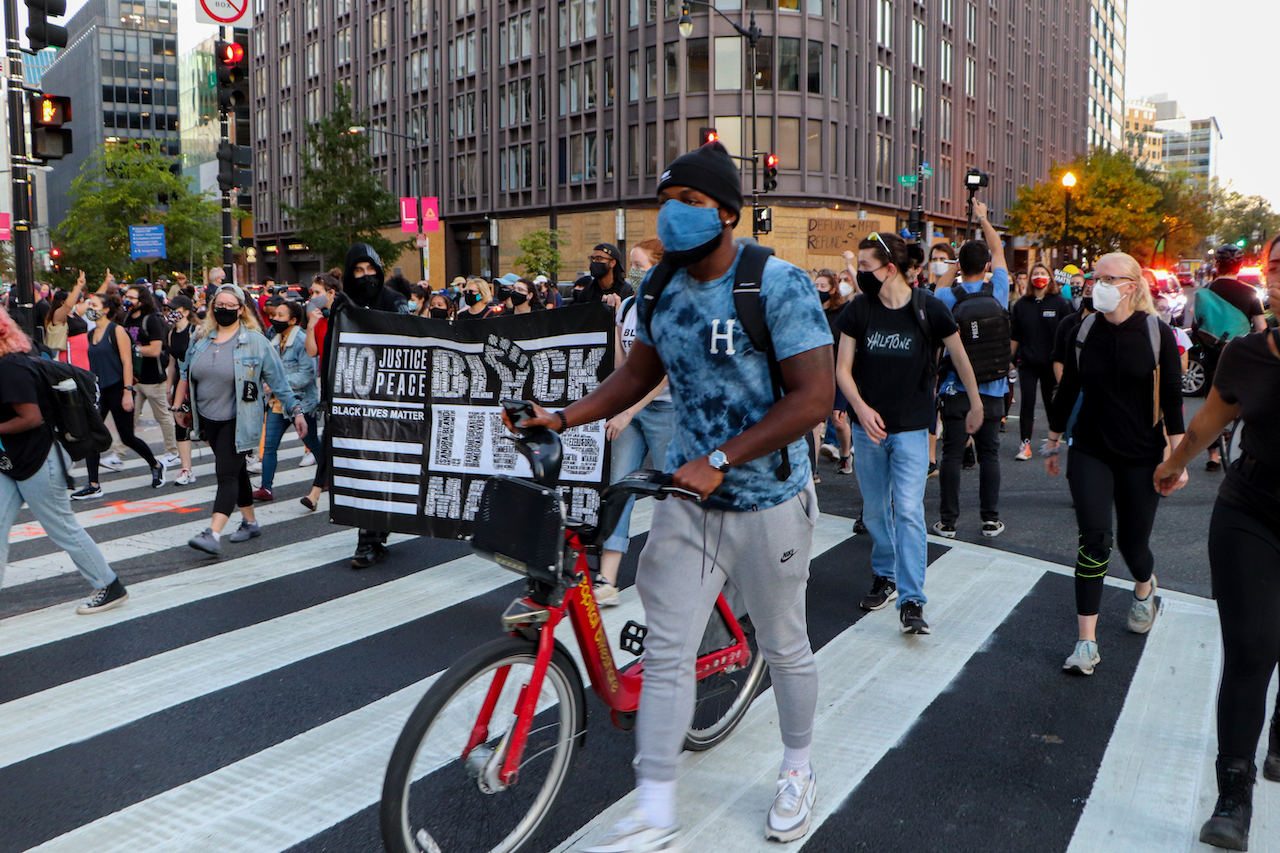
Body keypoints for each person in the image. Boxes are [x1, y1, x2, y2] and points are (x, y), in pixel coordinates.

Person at [519, 141, 833, 851]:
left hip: (769, 500)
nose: (672, 215)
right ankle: (655, 807)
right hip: (688, 503)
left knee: (784, 643)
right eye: (665, 201)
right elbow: (636, 375)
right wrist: (564, 416)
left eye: (688, 202)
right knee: (666, 652)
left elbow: (814, 398)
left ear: (726, 212)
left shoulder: (775, 285)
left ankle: (798, 768)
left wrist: (723, 457)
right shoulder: (658, 288)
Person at [1152, 277, 1280, 849]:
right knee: (1252, 646)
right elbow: (1211, 418)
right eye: (1277, 265)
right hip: (1250, 508)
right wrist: (1175, 461)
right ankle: (1234, 796)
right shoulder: (1248, 353)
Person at [1044, 252, 1186, 676]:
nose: (1097, 285)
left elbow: (1174, 401)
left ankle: (1145, 586)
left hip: (1143, 456)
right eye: (1094, 278)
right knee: (1094, 540)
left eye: (1107, 279)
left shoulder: (1158, 334)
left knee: (1133, 546)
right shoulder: (1082, 330)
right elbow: (1068, 387)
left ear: (1131, 285)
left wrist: (1177, 458)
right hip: (1090, 449)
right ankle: (1086, 643)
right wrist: (1053, 440)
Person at [836, 232, 984, 634]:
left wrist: (976, 402)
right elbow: (842, 370)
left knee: (908, 510)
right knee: (875, 512)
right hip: (870, 431)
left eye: (865, 267)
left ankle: (912, 599)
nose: (859, 274)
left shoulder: (929, 308)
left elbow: (959, 356)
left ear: (889, 269)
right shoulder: (858, 310)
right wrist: (861, 409)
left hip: (912, 430)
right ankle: (884, 573)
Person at [0, 306, 128, 614]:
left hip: (38, 460)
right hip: (11, 462)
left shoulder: (10, 368)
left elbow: (30, 418)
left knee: (60, 526)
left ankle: (109, 585)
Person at [173, 284, 305, 555]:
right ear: (211, 308)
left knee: (225, 473)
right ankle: (251, 522)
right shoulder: (202, 338)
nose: (223, 310)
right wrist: (181, 407)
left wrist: (297, 410)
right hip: (208, 418)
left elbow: (278, 382)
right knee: (237, 472)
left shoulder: (256, 343)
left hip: (239, 420)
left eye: (230, 306)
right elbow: (186, 373)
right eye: (218, 305)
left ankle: (213, 532)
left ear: (241, 310)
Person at [316, 244, 408, 567]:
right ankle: (367, 539)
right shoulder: (343, 306)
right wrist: (328, 398)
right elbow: (330, 352)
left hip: (393, 400)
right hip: (355, 400)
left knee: (388, 466)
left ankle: (379, 530)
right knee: (362, 466)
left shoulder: (395, 302)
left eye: (371, 268)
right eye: (358, 270)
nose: (366, 275)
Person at [932, 200, 1012, 538]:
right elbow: (996, 247)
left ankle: (948, 521)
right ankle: (990, 518)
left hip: (956, 389)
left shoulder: (948, 298)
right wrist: (982, 215)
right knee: (990, 454)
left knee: (951, 453)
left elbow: (936, 291)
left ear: (961, 266)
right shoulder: (1001, 289)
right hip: (992, 388)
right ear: (988, 266)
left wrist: (952, 264)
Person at [72, 292, 165, 499]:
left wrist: (127, 392)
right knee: (91, 435)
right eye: (89, 305)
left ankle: (156, 464)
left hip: (117, 388)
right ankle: (93, 484)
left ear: (106, 309)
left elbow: (127, 363)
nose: (90, 308)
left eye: (94, 305)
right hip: (99, 391)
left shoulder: (117, 331)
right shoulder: (91, 334)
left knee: (127, 437)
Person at [253, 300, 321, 501]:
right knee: (270, 446)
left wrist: (278, 384)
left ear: (293, 320)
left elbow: (308, 374)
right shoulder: (274, 338)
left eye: (280, 315)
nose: (275, 318)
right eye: (274, 314)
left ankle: (326, 476)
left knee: (313, 444)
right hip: (277, 402)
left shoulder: (301, 340)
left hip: (302, 402)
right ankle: (266, 488)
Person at [1010, 262, 1072, 460]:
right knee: (1027, 402)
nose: (1039, 276)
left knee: (1051, 402)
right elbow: (1015, 335)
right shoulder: (1021, 305)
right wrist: (1009, 360)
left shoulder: (1060, 303)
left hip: (1051, 361)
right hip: (1027, 361)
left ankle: (1055, 439)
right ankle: (1025, 444)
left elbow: (1068, 333)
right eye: (1035, 273)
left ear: (1050, 278)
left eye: (1042, 273)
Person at [123, 283, 179, 467]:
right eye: (127, 296)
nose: (128, 300)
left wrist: (132, 350)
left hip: (153, 378)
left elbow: (155, 350)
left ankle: (172, 451)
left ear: (142, 300)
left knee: (162, 416)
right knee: (128, 417)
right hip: (134, 378)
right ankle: (118, 453)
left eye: (132, 298)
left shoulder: (151, 320)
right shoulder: (127, 319)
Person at [813, 269, 853, 475]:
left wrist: (848, 265)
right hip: (818, 372)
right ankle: (813, 468)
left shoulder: (842, 310)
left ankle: (845, 454)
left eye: (822, 286)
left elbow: (862, 293)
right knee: (813, 422)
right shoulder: (811, 312)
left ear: (833, 290)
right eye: (816, 286)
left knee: (838, 420)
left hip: (839, 371)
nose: (818, 290)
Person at [165, 294, 199, 485]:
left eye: (174, 310)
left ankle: (235, 458)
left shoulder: (196, 331)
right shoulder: (171, 334)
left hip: (196, 383)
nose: (170, 313)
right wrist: (168, 387)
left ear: (186, 311)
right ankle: (186, 469)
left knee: (204, 428)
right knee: (181, 424)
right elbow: (172, 362)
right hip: (180, 383)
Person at [572, 242, 633, 309]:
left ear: (613, 263)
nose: (594, 262)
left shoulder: (626, 292)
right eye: (592, 259)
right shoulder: (588, 291)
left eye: (599, 259)